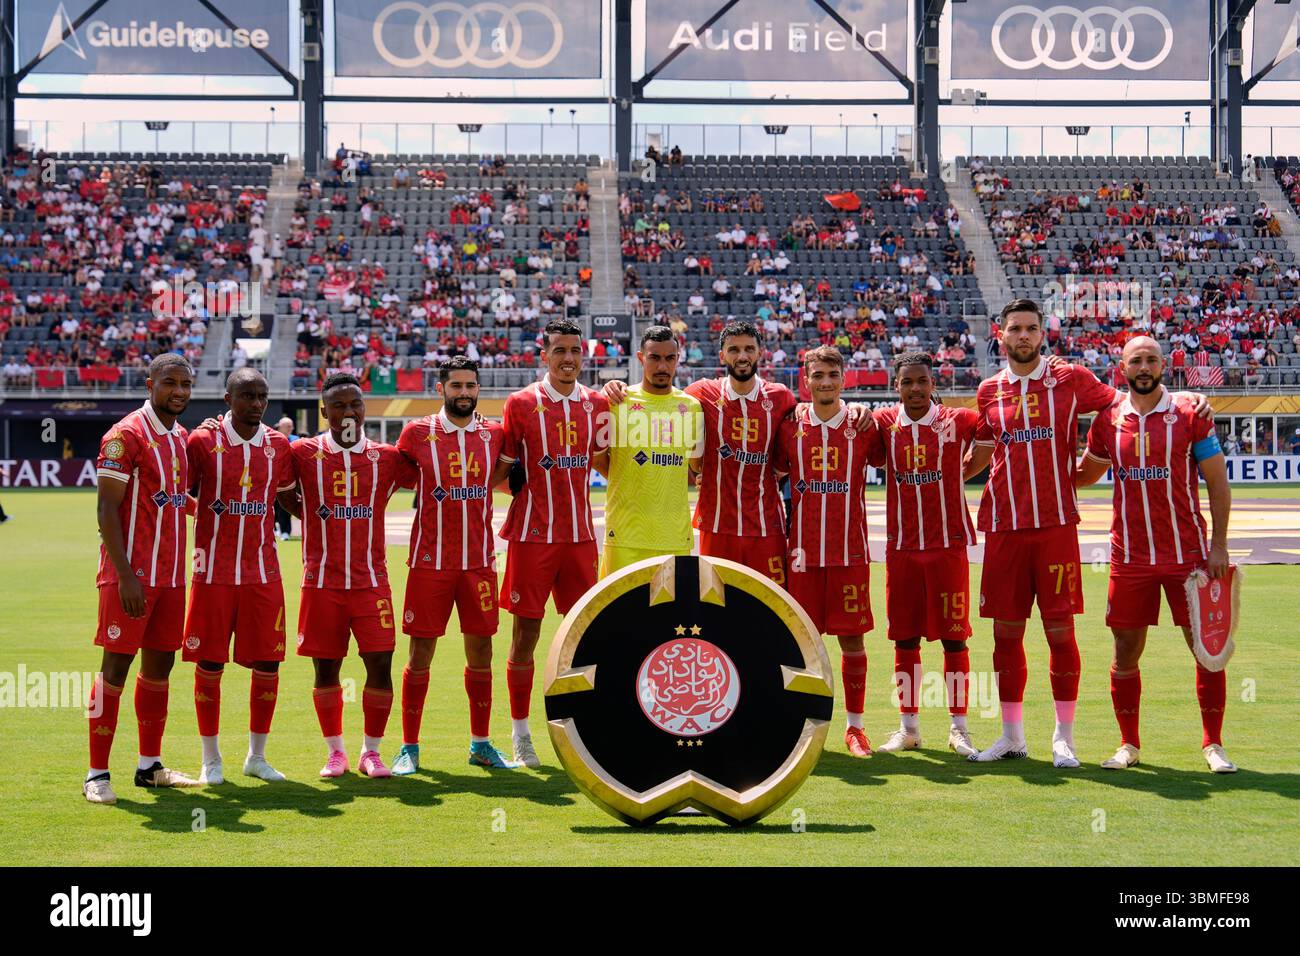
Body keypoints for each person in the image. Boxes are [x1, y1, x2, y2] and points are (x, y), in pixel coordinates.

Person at [962, 299, 1211, 767]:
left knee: (1060, 633)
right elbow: (980, 455)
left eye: (1031, 329)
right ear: (1001, 335)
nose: (1023, 336)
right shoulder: (988, 390)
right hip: (1004, 528)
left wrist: (1184, 400)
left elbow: (1127, 400)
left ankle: (1064, 738)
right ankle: (1011, 735)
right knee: (1005, 635)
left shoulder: (1072, 379)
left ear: (1042, 335)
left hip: (1056, 526)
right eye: (1014, 328)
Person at [1075, 336, 1237, 773]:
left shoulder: (1190, 414)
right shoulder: (1108, 420)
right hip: (1129, 556)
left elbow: (1218, 486)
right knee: (1125, 650)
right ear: (1121, 367)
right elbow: (1085, 474)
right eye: (1136, 361)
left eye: (1151, 360)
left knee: (1205, 649)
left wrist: (1218, 545)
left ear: (1164, 365)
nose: (1143, 367)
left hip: (1188, 556)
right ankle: (1128, 744)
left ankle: (1213, 744)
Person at [281, 374, 417, 778]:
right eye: (338, 405)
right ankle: (335, 752)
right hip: (320, 583)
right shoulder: (303, 453)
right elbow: (281, 489)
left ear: (364, 409)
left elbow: (428, 471)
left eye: (355, 404)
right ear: (324, 411)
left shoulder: (386, 458)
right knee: (326, 669)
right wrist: (312, 515)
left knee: (380, 664)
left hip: (371, 583)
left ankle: (371, 752)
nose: (347, 412)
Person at [390, 357, 518, 773]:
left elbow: (508, 475)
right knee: (420, 652)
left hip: (479, 561)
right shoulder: (417, 433)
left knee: (481, 651)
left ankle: (480, 743)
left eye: (471, 385)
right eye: (456, 385)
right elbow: (391, 470)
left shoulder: (494, 433)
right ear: (440, 388)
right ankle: (409, 747)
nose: (464, 392)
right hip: (430, 561)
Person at [492, 319, 610, 767]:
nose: (567, 358)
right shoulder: (521, 403)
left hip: (580, 536)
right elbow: (502, 472)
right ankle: (521, 734)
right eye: (559, 350)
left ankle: (582, 730)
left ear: (583, 355)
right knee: (525, 635)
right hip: (531, 536)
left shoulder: (597, 403)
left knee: (584, 638)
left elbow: (607, 460)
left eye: (575, 351)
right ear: (544, 355)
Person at [84, 355, 200, 804]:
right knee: (115, 667)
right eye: (169, 383)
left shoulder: (181, 437)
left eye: (185, 384)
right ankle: (96, 774)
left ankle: (150, 767)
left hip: (171, 579)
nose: (179, 391)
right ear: (149, 383)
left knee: (160, 669)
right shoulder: (124, 435)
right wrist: (127, 576)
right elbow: (106, 510)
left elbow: (171, 502)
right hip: (130, 578)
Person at [862, 352, 981, 758]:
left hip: (948, 545)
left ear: (934, 384)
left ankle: (959, 728)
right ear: (895, 386)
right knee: (905, 638)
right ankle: (908, 728)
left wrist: (964, 469)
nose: (914, 388)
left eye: (922, 381)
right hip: (902, 547)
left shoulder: (958, 420)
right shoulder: (883, 425)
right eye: (906, 382)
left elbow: (995, 428)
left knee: (953, 639)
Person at [184, 369, 294, 785]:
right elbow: (181, 492)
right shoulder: (203, 441)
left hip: (263, 573)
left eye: (262, 396)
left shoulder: (279, 446)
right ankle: (211, 759)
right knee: (210, 662)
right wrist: (203, 513)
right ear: (227, 398)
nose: (256, 403)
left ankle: (257, 756)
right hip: (211, 572)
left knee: (268, 661)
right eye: (246, 395)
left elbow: (286, 496)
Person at [774, 346, 878, 758]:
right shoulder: (790, 426)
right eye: (817, 375)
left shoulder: (864, 425)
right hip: (801, 554)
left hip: (850, 551)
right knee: (802, 643)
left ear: (844, 378)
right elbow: (775, 472)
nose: (825, 382)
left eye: (832, 374)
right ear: (806, 380)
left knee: (852, 642)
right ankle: (804, 725)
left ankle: (855, 729)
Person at [595, 326, 703, 576]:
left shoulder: (691, 407)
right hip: (624, 534)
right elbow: (598, 458)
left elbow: (697, 464)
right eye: (654, 357)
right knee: (620, 613)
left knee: (670, 615)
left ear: (678, 358)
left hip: (674, 536)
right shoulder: (615, 403)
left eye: (669, 358)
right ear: (641, 357)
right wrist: (627, 474)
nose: (662, 366)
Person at [272, 416, 297, 540]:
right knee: (272, 506)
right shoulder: (271, 439)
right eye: (287, 426)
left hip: (289, 480)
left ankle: (286, 532)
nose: (290, 429)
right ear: (280, 426)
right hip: (273, 479)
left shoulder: (295, 440)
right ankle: (275, 528)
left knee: (286, 505)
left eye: (291, 426)